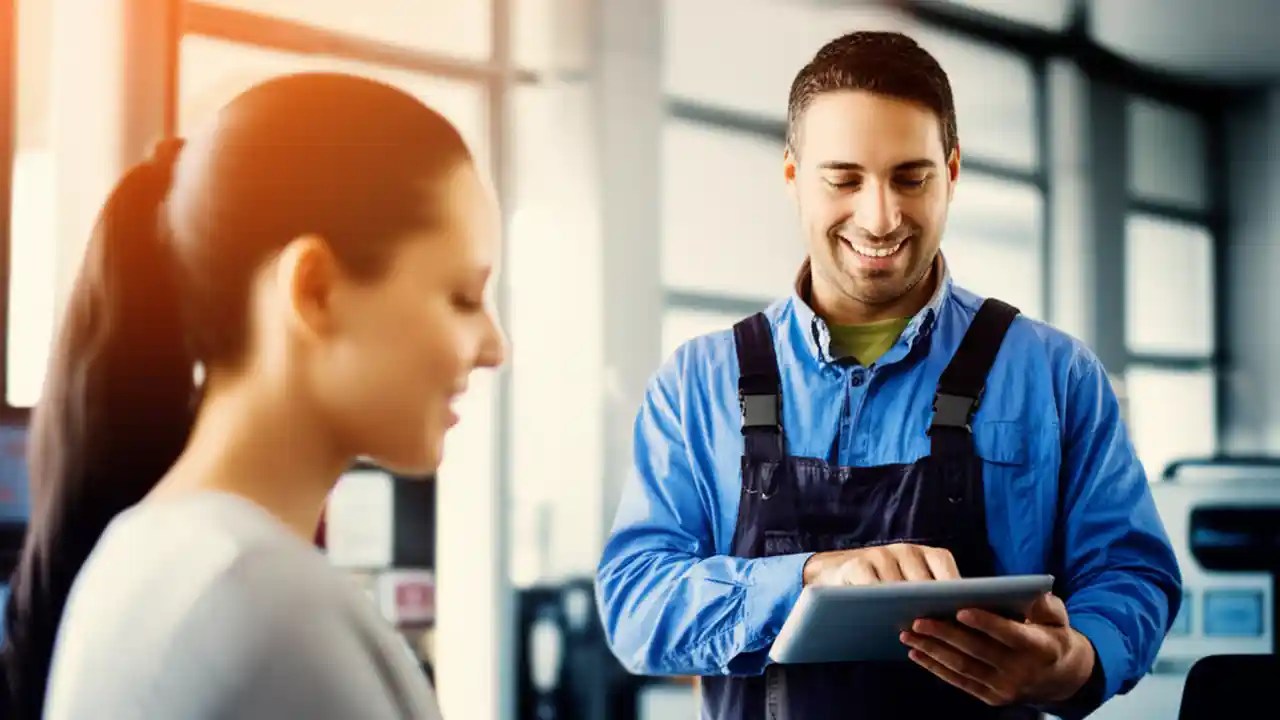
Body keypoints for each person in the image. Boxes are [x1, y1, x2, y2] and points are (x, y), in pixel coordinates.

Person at [596, 31, 1181, 720]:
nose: (880, 217)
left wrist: (1076, 659)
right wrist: (810, 580)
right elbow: (636, 605)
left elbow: (1133, 575)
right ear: (792, 177)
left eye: (911, 177)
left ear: (953, 172)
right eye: (843, 179)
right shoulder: (697, 385)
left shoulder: (1056, 376)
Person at [0, 72, 505, 719]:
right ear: (315, 290)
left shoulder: (141, 555)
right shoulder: (267, 606)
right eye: (462, 297)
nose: (494, 347)